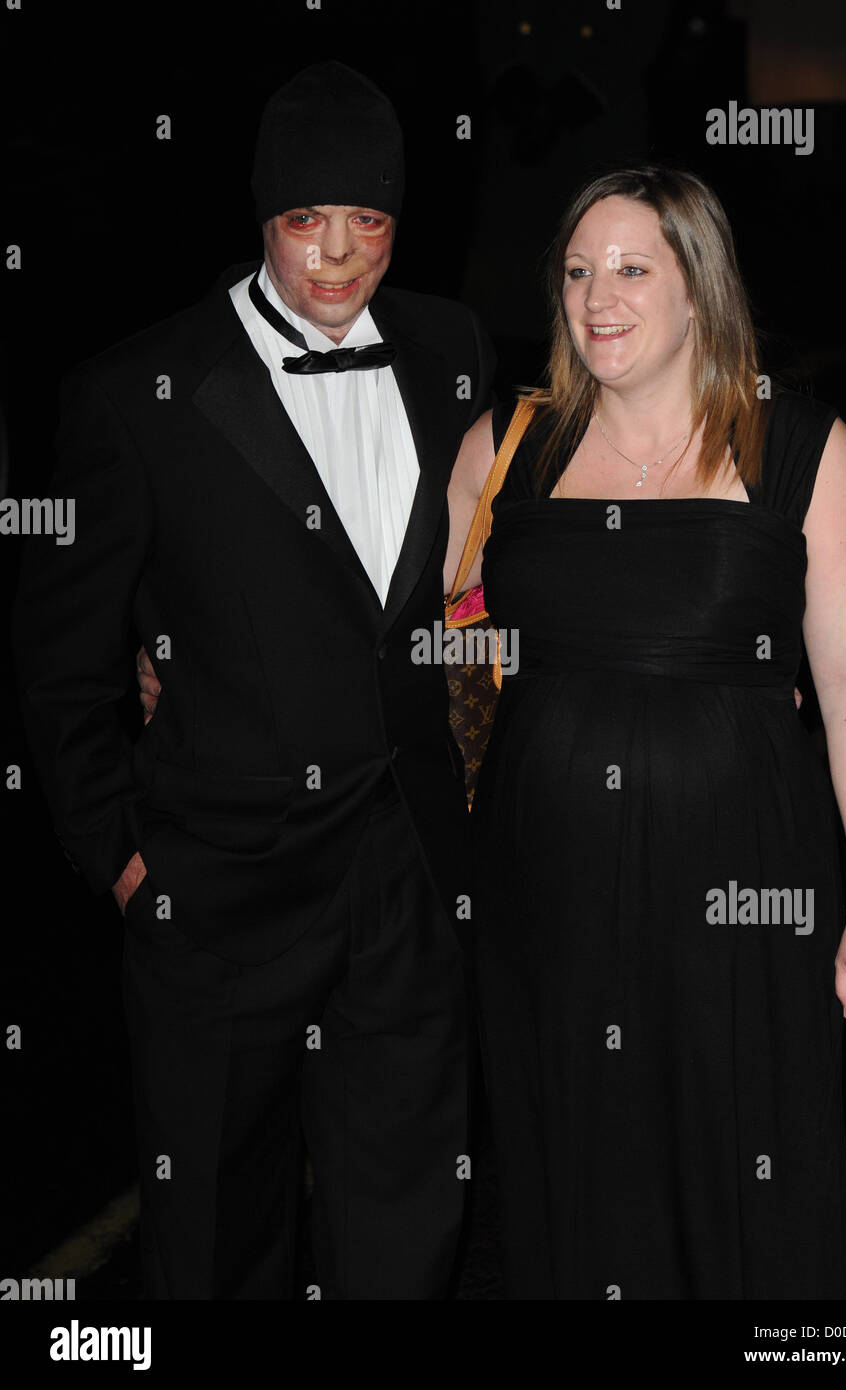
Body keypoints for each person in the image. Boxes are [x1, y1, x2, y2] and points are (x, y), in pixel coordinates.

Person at [13, 61, 496, 1300]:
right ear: (260, 215)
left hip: (409, 872)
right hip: (218, 886)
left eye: (368, 223)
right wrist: (118, 852)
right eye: (304, 221)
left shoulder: (450, 349)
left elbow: (473, 584)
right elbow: (62, 657)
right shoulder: (135, 394)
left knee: (407, 1211)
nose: (336, 256)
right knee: (215, 1235)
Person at [446, 165, 846, 1299]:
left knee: (741, 1161)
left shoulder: (803, 450)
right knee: (574, 1166)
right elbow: (419, 633)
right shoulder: (510, 447)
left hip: (740, 892)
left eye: (629, 269)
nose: (594, 297)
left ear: (699, 287)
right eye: (574, 272)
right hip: (547, 895)